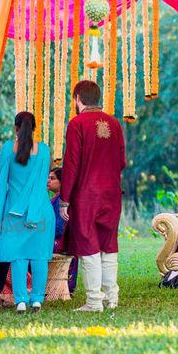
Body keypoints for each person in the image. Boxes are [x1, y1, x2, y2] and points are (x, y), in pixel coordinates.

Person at [59, 81, 126, 312]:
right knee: (109, 245)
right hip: (112, 194)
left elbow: (72, 164)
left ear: (78, 98)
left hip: (87, 195)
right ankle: (112, 298)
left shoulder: (77, 123)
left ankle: (94, 302)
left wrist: (65, 199)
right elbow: (121, 162)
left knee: (88, 246)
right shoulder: (115, 123)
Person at [0, 112, 55, 313]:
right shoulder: (44, 151)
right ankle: (37, 299)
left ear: (15, 128)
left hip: (14, 213)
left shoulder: (8, 149)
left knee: (18, 256)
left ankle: (20, 300)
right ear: (35, 128)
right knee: (39, 256)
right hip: (41, 211)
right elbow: (41, 184)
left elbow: (2, 186)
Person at [47, 167, 78, 295]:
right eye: (48, 178)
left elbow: (59, 230)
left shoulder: (61, 201)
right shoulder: (57, 199)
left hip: (60, 243)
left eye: (52, 178)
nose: (48, 181)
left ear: (62, 182)